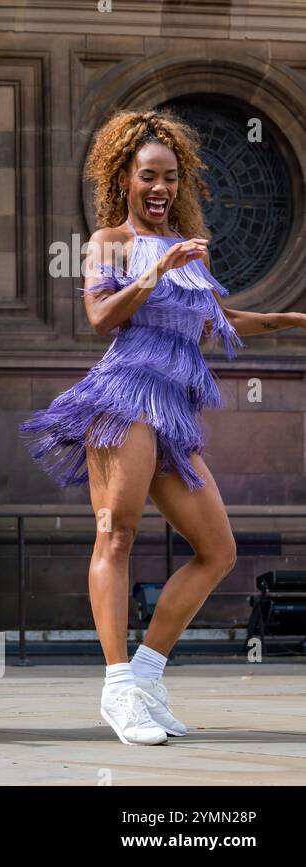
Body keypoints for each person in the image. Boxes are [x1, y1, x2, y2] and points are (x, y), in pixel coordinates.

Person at [20, 109, 305, 745]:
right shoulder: (108, 242)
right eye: (148, 175)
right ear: (123, 176)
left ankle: (146, 676)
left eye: (170, 177)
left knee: (218, 550)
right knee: (115, 538)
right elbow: (99, 317)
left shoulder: (187, 247)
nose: (161, 188)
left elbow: (215, 321)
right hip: (123, 399)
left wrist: (292, 319)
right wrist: (153, 270)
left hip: (173, 412)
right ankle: (118, 685)